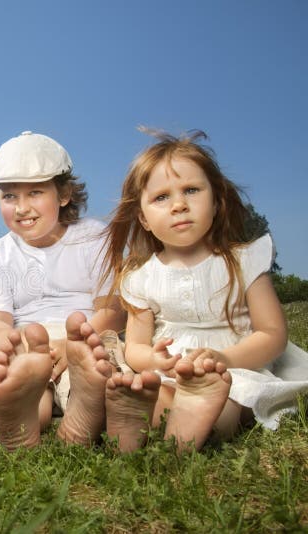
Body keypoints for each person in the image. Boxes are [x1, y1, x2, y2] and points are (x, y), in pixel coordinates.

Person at [102, 129, 308, 452]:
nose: (179, 205)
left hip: (235, 369)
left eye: (191, 190)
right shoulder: (140, 278)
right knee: (158, 395)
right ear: (143, 218)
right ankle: (134, 422)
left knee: (227, 403)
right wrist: (153, 360)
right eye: (161, 197)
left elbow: (272, 334)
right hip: (172, 372)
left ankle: (197, 419)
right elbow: (136, 346)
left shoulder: (244, 261)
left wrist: (225, 358)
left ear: (215, 203)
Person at [0, 131, 126, 450]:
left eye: (34, 193)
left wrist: (72, 345)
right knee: (21, 386)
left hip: (86, 337)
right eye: (9, 196)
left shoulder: (95, 237)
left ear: (64, 194)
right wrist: (14, 346)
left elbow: (113, 311)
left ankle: (84, 405)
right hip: (25, 343)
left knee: (95, 374)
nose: (22, 207)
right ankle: (25, 415)